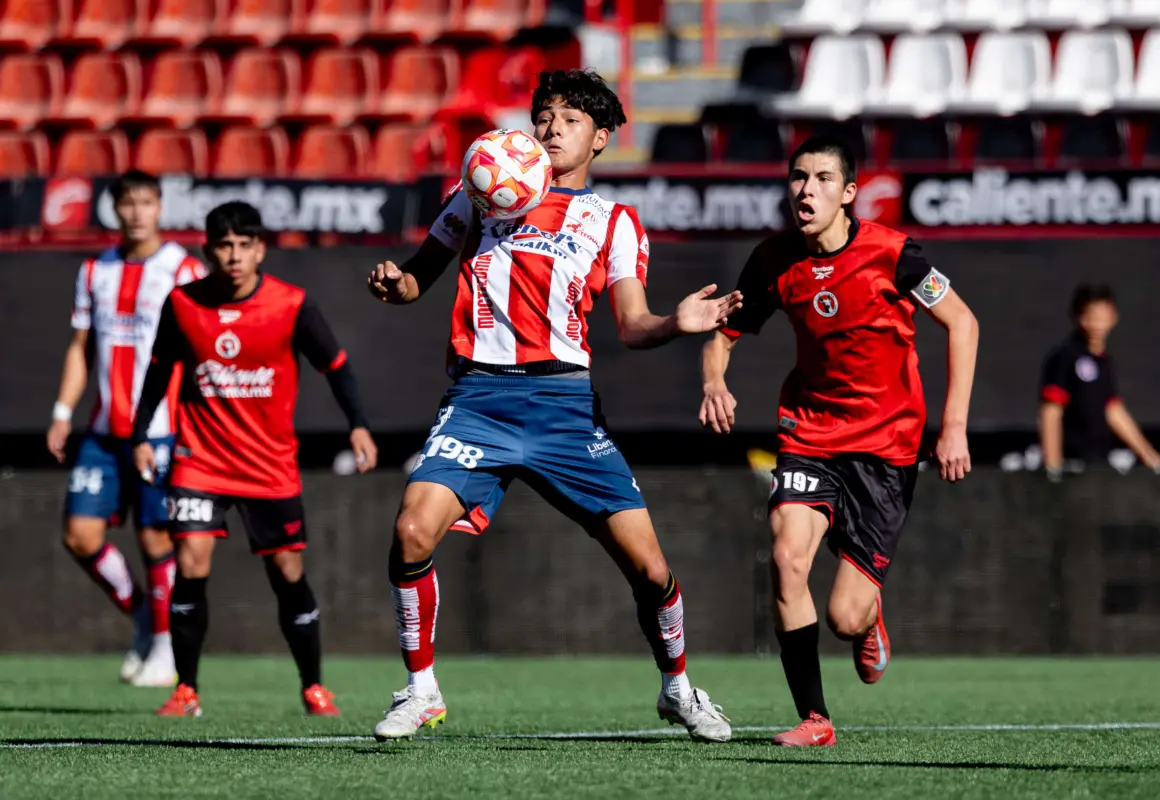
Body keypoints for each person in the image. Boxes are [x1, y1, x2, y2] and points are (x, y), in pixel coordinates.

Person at [366, 68, 740, 743]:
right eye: (543, 115)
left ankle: (679, 688)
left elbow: (631, 325)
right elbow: (416, 279)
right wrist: (394, 283)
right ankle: (420, 689)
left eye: (568, 120)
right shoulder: (479, 195)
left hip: (565, 408)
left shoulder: (611, 219)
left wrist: (677, 324)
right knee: (411, 532)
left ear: (600, 139)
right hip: (480, 398)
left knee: (650, 570)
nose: (549, 129)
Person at [697, 136, 979, 747]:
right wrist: (714, 380)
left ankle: (871, 616)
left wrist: (953, 426)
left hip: (886, 445)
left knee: (845, 617)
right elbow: (725, 331)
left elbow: (962, 321)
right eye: (799, 177)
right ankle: (815, 719)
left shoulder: (896, 255)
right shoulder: (773, 259)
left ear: (849, 194)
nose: (806, 190)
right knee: (786, 555)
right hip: (809, 432)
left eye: (823, 179)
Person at [131, 201, 378, 717]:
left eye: (245, 245)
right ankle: (187, 690)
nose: (235, 256)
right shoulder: (182, 304)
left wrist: (357, 424)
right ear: (209, 250)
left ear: (261, 250)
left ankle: (313, 686)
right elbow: (157, 372)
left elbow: (336, 366)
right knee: (190, 563)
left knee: (288, 571)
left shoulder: (291, 304)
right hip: (198, 461)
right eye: (225, 245)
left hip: (269, 466)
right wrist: (139, 434)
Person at [48, 170, 206, 687]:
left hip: (160, 429)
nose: (137, 212)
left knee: (156, 537)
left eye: (146, 202)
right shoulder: (95, 269)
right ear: (113, 210)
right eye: (127, 203)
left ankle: (164, 645)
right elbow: (79, 347)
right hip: (101, 428)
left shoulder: (182, 269)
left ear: (160, 207)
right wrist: (62, 413)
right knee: (79, 535)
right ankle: (143, 616)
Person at [1038, 284, 1160, 482]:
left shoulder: (1104, 362)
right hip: (1072, 465)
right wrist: (1053, 467)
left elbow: (1113, 409)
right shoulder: (1065, 357)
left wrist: (1149, 456)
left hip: (1099, 463)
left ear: (1113, 317)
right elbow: (1051, 412)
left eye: (1102, 316)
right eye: (1091, 316)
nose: (1097, 324)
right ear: (1078, 317)